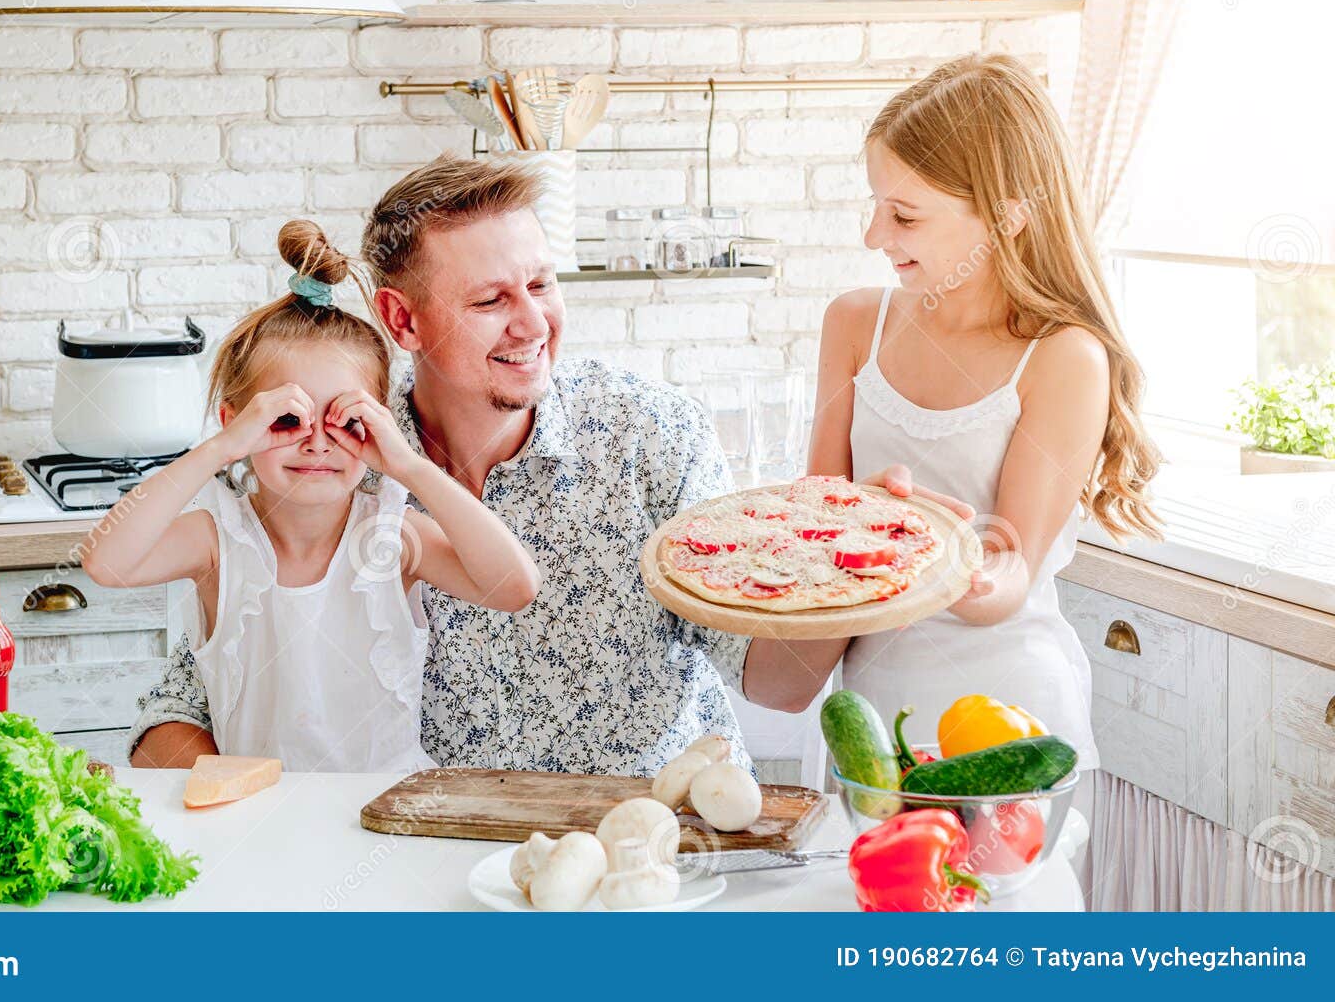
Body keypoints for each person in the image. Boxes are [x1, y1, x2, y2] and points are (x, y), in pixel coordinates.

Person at [129, 157, 914, 775]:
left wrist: (844, 573)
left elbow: (775, 683)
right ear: (402, 319)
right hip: (424, 870)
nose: (533, 321)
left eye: (541, 283)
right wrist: (253, 805)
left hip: (648, 854)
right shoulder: (328, 456)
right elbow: (181, 706)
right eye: (490, 300)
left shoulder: (651, 435)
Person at [805, 53, 1163, 765]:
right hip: (866, 722)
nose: (874, 237)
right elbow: (818, 521)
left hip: (1009, 724)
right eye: (876, 206)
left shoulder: (1064, 358)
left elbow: (1010, 574)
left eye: (904, 214)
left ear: (1006, 217)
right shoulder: (853, 325)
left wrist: (936, 555)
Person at [83, 219, 538, 772]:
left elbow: (514, 587)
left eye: (344, 419)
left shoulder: (392, 537)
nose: (318, 442)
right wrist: (220, 447)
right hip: (254, 822)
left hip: (386, 821)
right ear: (240, 422)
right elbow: (106, 562)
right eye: (287, 419)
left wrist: (406, 466)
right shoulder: (217, 542)